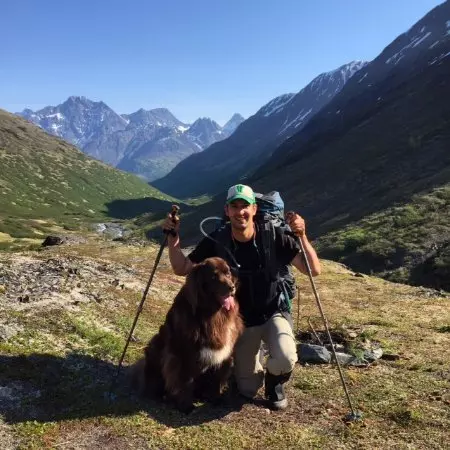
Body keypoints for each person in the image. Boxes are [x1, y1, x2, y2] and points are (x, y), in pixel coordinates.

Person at [162, 184, 321, 410]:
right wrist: (172, 237)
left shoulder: (273, 234)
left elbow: (313, 269)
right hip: (243, 320)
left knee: (285, 357)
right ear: (227, 211)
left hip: (273, 312)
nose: (240, 212)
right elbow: (183, 267)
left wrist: (302, 235)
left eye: (245, 206)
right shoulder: (219, 239)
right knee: (246, 389)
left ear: (254, 209)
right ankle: (248, 367)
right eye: (234, 207)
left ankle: (275, 384)